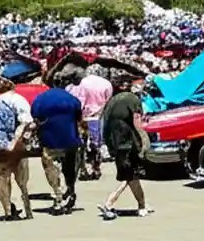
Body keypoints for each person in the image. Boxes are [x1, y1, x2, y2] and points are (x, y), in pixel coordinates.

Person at [97, 76, 151, 220]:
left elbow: (104, 124)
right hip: (128, 143)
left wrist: (107, 145)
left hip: (115, 144)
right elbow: (137, 122)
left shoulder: (111, 101)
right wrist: (144, 141)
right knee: (130, 175)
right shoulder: (133, 99)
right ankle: (109, 203)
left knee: (131, 175)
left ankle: (142, 205)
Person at [0, 77, 32, 220]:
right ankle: (24, 210)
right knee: (21, 181)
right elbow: (26, 122)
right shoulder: (17, 99)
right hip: (14, 146)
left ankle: (9, 210)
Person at [33, 77, 84, 213]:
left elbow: (35, 116)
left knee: (52, 168)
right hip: (70, 138)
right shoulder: (71, 99)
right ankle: (70, 190)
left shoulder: (41, 99)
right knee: (70, 167)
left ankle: (58, 194)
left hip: (49, 140)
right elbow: (79, 117)